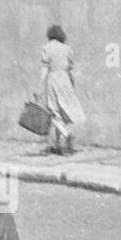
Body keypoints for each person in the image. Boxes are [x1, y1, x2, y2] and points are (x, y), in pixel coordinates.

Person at [40, 24, 85, 155]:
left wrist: (40, 86)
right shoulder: (67, 49)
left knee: (54, 112)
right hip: (65, 80)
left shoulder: (46, 48)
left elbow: (44, 69)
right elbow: (71, 69)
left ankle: (66, 134)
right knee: (64, 110)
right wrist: (72, 84)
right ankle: (58, 145)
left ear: (49, 35)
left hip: (53, 80)